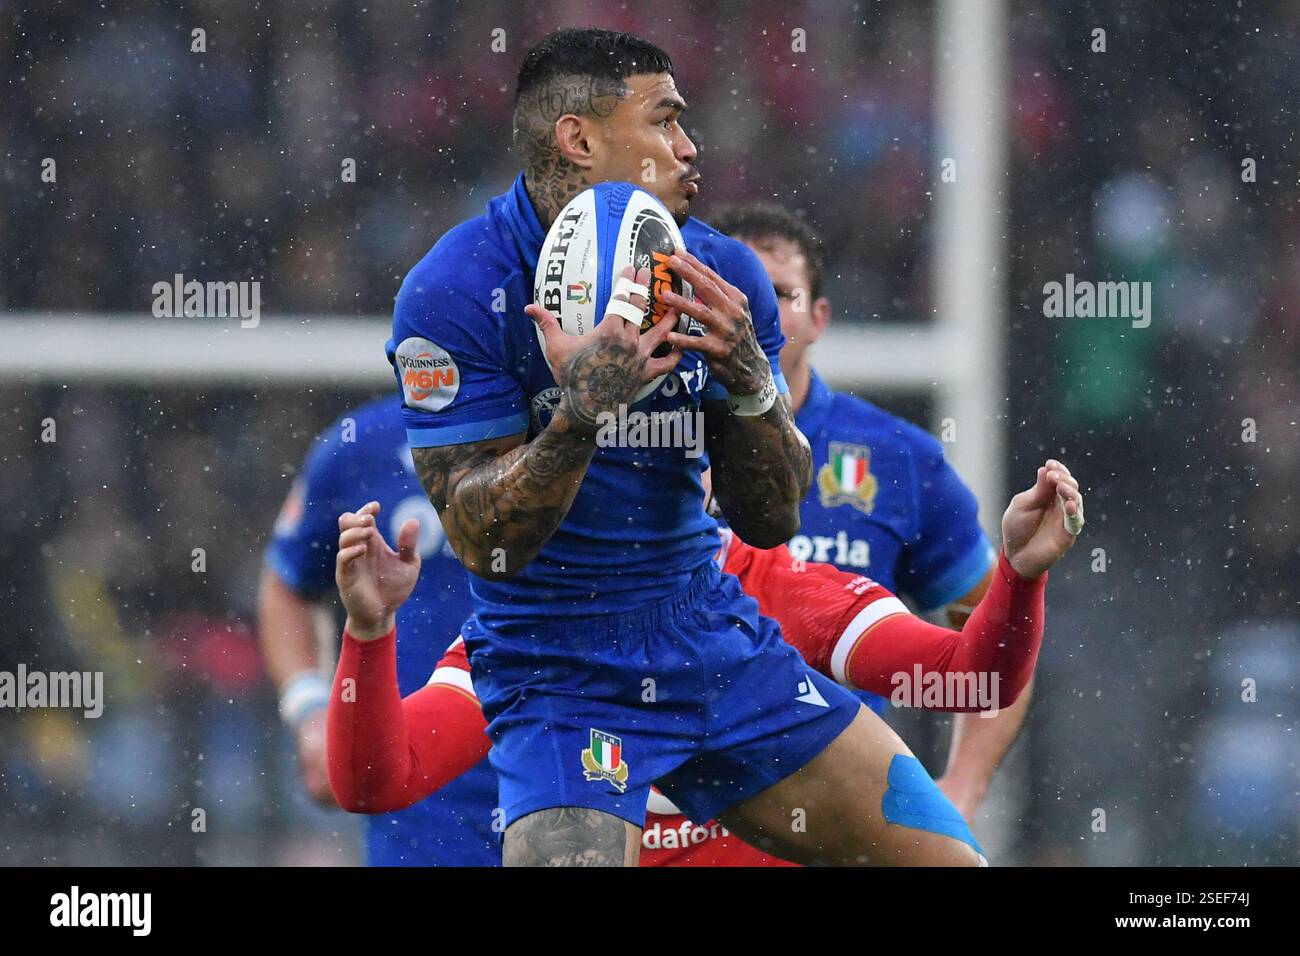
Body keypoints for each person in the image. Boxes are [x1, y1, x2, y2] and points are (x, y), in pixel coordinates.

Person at [389, 26, 1074, 866]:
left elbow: (772, 519)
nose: (690, 146)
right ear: (579, 138)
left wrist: (750, 379)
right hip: (557, 668)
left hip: (708, 640)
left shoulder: (717, 274)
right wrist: (580, 416)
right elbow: (486, 544)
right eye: (665, 122)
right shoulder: (454, 290)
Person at [326, 454, 1079, 865]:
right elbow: (375, 781)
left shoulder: (774, 587)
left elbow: (968, 678)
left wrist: (1019, 574)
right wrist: (368, 632)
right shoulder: (522, 633)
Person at [708, 202, 1029, 821]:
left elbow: (995, 636)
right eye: (739, 290)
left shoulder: (895, 458)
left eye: (780, 292)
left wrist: (961, 787)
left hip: (837, 818)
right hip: (675, 818)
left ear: (819, 317)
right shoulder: (656, 445)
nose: (759, 311)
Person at [256, 396, 498, 865]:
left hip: (566, 763)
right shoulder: (361, 443)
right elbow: (286, 583)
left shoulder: (582, 439)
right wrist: (311, 710)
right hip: (419, 793)